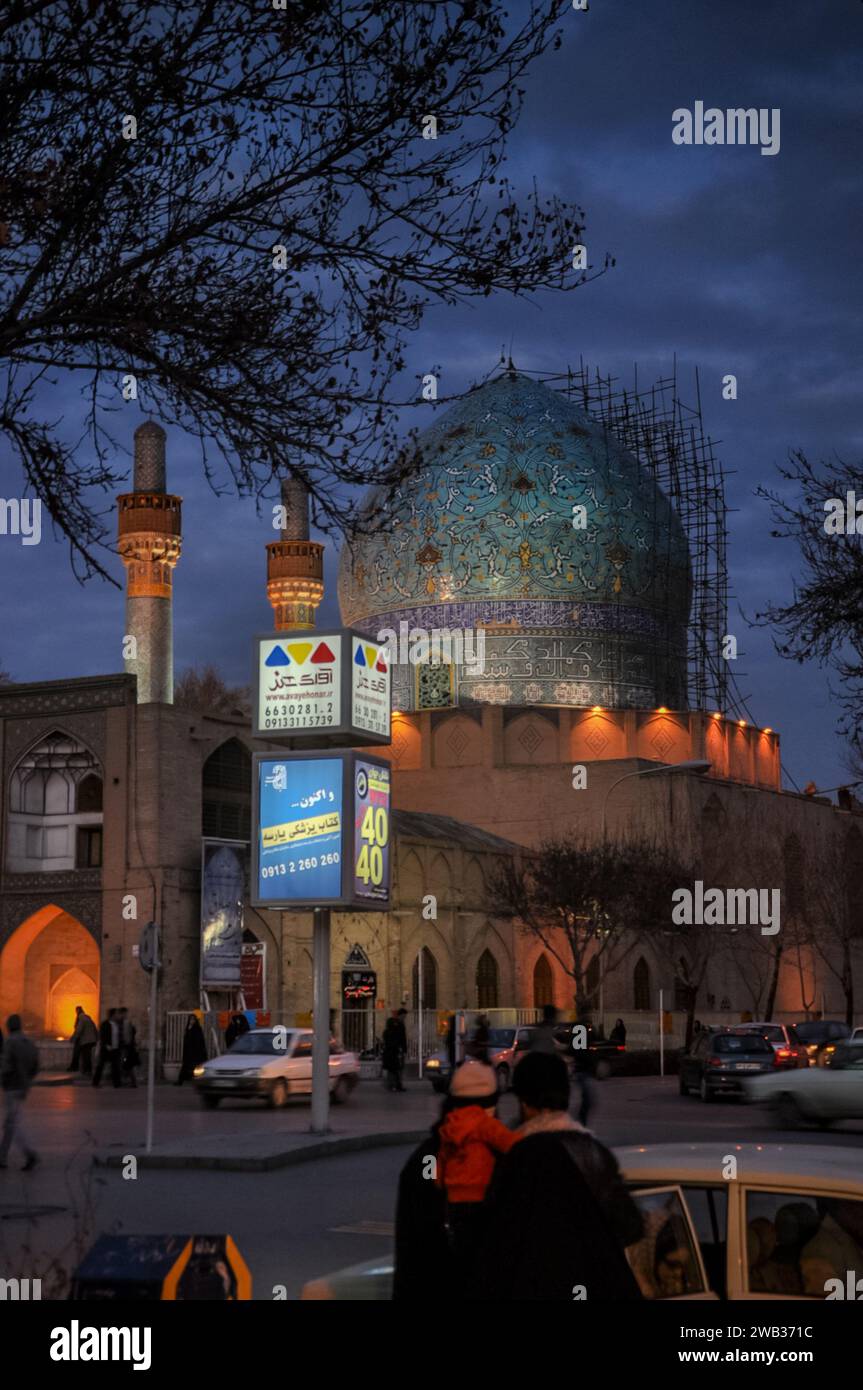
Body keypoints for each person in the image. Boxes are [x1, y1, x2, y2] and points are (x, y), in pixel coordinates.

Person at [466, 1052, 643, 1301]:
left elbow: (493, 1242)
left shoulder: (515, 1156)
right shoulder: (594, 1153)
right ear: (567, 1097)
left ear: (524, 1102)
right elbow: (630, 1226)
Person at [436, 1060, 519, 1291]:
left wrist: (440, 1183)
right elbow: (512, 1144)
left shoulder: (450, 1126)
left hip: (454, 1200)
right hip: (482, 1195)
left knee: (461, 1243)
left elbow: (440, 1162)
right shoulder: (485, 1124)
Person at [0, 1015, 40, 1171]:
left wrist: (4, 1080)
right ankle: (2, 1157)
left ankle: (29, 1153)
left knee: (12, 1124)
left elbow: (7, 1066)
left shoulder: (10, 1042)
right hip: (23, 1086)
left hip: (12, 1087)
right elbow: (36, 1066)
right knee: (10, 1123)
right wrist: (27, 1081)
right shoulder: (29, 1042)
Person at [176, 1013, 207, 1085]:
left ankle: (197, 1081)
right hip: (188, 1052)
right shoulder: (188, 1028)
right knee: (186, 1066)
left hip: (195, 1052)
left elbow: (199, 1041)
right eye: (190, 1019)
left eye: (193, 1020)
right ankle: (180, 1081)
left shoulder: (197, 1029)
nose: (191, 1021)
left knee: (195, 1067)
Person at [92, 1008, 119, 1088]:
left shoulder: (116, 1024)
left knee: (115, 1066)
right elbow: (102, 1036)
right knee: (101, 1065)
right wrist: (107, 1045)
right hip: (106, 1049)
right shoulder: (105, 1024)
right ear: (113, 1015)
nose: (117, 1016)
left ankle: (117, 1083)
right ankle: (95, 1082)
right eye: (116, 1014)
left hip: (114, 1049)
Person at [381, 1011, 406, 1092]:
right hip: (394, 1054)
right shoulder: (395, 1032)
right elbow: (399, 1041)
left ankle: (393, 1085)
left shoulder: (386, 1033)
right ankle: (395, 1085)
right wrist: (402, 1049)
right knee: (395, 1070)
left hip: (390, 1054)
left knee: (392, 1070)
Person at [71, 1006, 98, 1076]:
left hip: (86, 1040)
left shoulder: (81, 1018)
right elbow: (95, 1028)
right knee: (87, 1055)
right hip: (91, 1040)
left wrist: (73, 1037)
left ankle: (87, 1070)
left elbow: (79, 1030)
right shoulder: (88, 1017)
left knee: (86, 1056)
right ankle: (87, 1070)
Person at [117, 1008, 138, 1087]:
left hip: (126, 1047)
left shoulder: (125, 1023)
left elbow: (127, 1036)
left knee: (127, 1065)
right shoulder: (126, 1023)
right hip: (127, 1047)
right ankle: (131, 1082)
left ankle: (130, 1082)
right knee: (128, 1065)